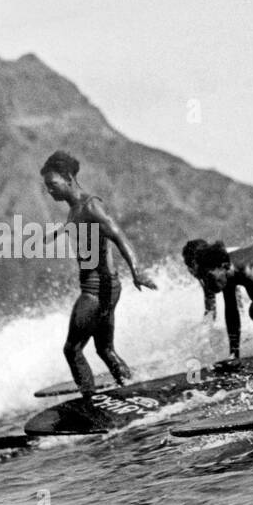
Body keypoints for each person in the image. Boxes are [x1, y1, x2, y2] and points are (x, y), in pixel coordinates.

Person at [40, 151, 157, 394]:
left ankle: (90, 402)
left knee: (72, 350)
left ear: (68, 177)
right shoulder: (76, 209)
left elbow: (118, 236)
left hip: (96, 289)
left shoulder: (90, 205)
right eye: (47, 187)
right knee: (104, 349)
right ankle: (133, 391)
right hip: (107, 286)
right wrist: (57, 233)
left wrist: (137, 272)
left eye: (53, 185)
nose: (50, 191)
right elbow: (81, 226)